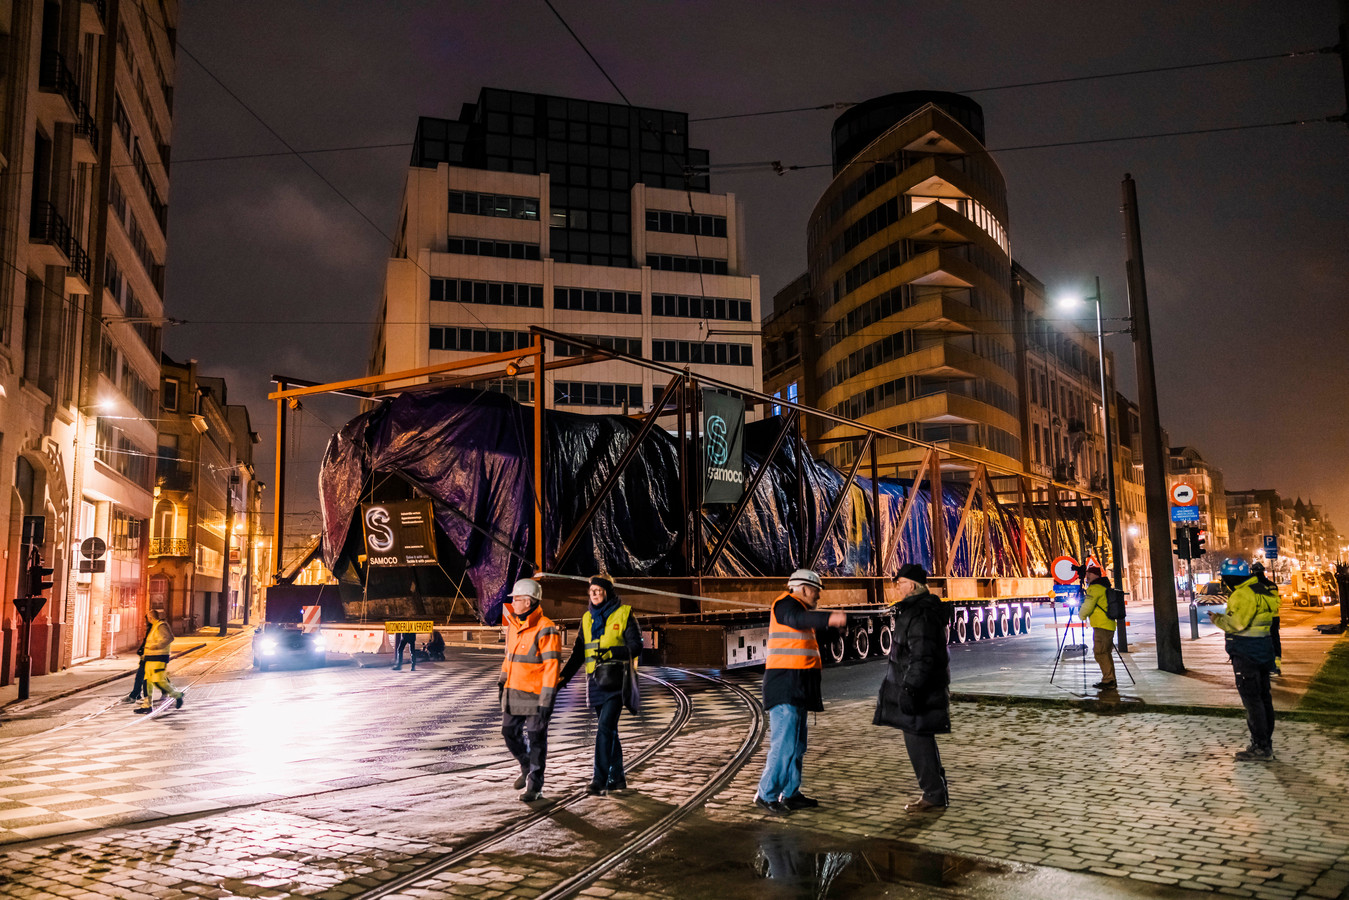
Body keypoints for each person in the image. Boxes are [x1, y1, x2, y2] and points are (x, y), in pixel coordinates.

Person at [752, 569, 848, 816]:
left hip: (798, 687)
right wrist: (830, 618)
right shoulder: (785, 605)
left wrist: (835, 628)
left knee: (796, 745)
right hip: (784, 685)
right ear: (804, 588)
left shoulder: (801, 611)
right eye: (816, 590)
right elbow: (797, 620)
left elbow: (808, 634)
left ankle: (791, 793)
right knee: (784, 744)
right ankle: (766, 794)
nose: (819, 596)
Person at [874, 564, 951, 812]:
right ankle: (935, 791)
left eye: (901, 583)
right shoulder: (918, 610)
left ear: (913, 585)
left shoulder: (921, 614)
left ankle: (933, 794)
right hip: (920, 689)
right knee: (921, 738)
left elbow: (922, 656)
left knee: (918, 741)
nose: (897, 587)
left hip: (919, 691)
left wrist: (909, 689)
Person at [559, 574, 642, 796]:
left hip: (617, 681)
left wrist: (614, 652)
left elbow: (636, 646)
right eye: (592, 590)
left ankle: (599, 779)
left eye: (599, 590)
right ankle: (618, 778)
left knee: (605, 728)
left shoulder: (624, 613)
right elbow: (578, 653)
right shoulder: (587, 618)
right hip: (595, 682)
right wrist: (563, 678)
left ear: (608, 592)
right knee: (609, 730)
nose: (594, 594)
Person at [499, 578, 562, 802]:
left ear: (528, 601)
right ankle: (526, 765)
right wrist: (502, 681)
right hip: (514, 691)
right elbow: (509, 658)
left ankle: (535, 786)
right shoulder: (513, 626)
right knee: (508, 733)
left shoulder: (546, 628)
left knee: (537, 741)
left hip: (536, 696)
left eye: (516, 599)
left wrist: (547, 699)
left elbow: (552, 667)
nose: (513, 603)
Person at [1210, 558, 1279, 760]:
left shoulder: (1242, 594)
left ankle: (1260, 746)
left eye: (1225, 578)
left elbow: (1237, 624)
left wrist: (1217, 619)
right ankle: (1266, 743)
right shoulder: (1262, 590)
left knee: (1252, 701)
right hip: (1263, 649)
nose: (1224, 582)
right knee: (1264, 698)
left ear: (1230, 578)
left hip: (1246, 653)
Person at [136, 608, 184, 714]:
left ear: (151, 617)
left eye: (148, 618)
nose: (147, 620)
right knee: (147, 682)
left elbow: (169, 638)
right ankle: (147, 705)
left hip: (159, 658)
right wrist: (144, 655)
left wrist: (157, 646)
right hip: (150, 658)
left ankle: (177, 695)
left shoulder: (161, 626)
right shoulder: (154, 627)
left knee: (158, 681)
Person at [1077, 565, 1117, 690]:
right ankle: (1110, 679)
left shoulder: (1095, 589)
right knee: (1105, 653)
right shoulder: (1103, 586)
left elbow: (1088, 605)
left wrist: (1081, 615)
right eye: (1086, 574)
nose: (1087, 576)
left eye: (1089, 574)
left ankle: (1108, 680)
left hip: (1101, 626)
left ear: (1096, 575)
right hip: (1107, 625)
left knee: (1100, 652)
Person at [1251, 561, 1281, 675]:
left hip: (1261, 618)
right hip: (1274, 617)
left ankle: (1264, 665)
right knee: (1275, 641)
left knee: (1261, 642)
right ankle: (1276, 665)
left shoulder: (1255, 586)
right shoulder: (1272, 585)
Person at [122, 616, 152, 703]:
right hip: (148, 656)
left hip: (148, 656)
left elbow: (147, 641)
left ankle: (135, 696)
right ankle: (137, 695)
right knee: (143, 676)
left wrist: (142, 650)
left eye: (146, 620)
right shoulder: (153, 628)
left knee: (142, 676)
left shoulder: (153, 629)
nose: (145, 622)